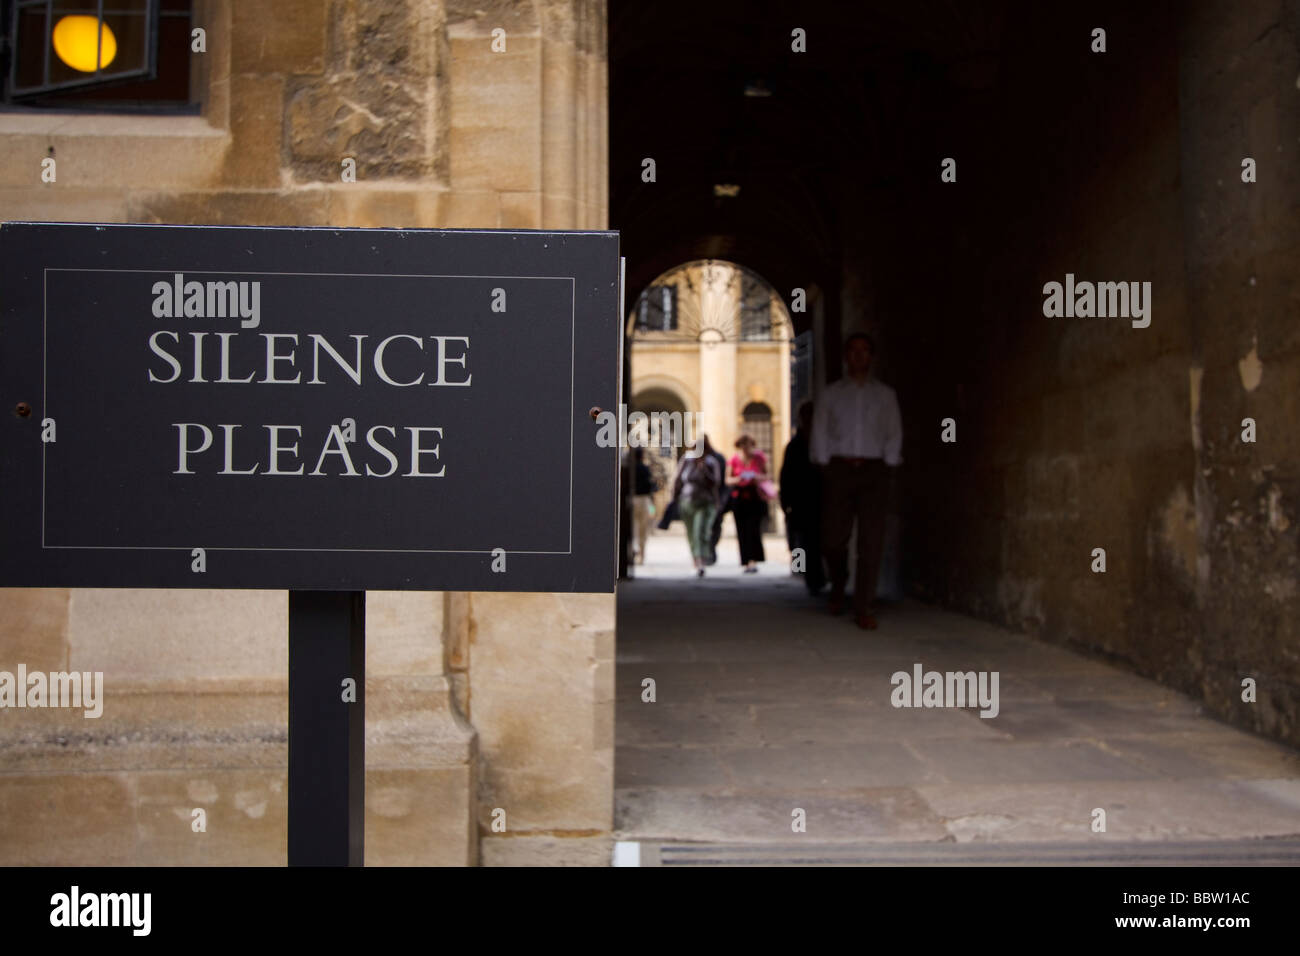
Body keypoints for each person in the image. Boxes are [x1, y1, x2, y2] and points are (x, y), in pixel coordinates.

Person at [809, 331, 902, 630]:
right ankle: (839, 582)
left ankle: (864, 606)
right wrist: (823, 462)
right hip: (839, 469)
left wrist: (889, 461)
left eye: (865, 350)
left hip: (874, 471)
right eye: (853, 350)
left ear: (872, 357)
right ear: (846, 357)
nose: (859, 356)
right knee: (832, 540)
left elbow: (893, 430)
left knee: (871, 542)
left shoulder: (885, 395)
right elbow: (820, 429)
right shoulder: (832, 393)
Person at [780, 401, 826, 596]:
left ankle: (813, 575)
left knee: (813, 540)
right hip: (803, 501)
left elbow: (785, 476)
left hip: (819, 499)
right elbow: (787, 476)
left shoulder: (823, 442)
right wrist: (786, 502)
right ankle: (805, 573)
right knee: (802, 541)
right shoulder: (796, 445)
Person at [672, 441, 723, 577]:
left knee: (702, 531)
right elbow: (678, 479)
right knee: (692, 533)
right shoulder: (687, 460)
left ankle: (702, 561)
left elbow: (716, 482)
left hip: (706, 502)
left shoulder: (711, 462)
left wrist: (704, 469)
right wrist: (674, 498)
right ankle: (696, 561)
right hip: (688, 501)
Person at [727, 434, 769, 573]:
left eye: (748, 445)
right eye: (743, 445)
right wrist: (739, 478)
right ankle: (746, 561)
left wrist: (756, 477)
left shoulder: (759, 458)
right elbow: (728, 479)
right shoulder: (733, 459)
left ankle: (753, 560)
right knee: (742, 530)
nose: (746, 448)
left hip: (754, 497)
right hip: (739, 498)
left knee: (753, 529)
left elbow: (766, 475)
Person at [703, 436, 728, 565]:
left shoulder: (718, 458)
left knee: (716, 526)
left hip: (716, 498)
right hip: (701, 499)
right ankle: (707, 551)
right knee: (704, 526)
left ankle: (711, 548)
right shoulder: (693, 459)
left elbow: (723, 481)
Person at [631, 447, 657, 564]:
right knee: (643, 529)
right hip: (645, 500)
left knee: (633, 528)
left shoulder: (631, 469)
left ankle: (633, 552)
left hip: (633, 500)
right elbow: (651, 486)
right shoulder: (645, 469)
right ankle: (641, 555)